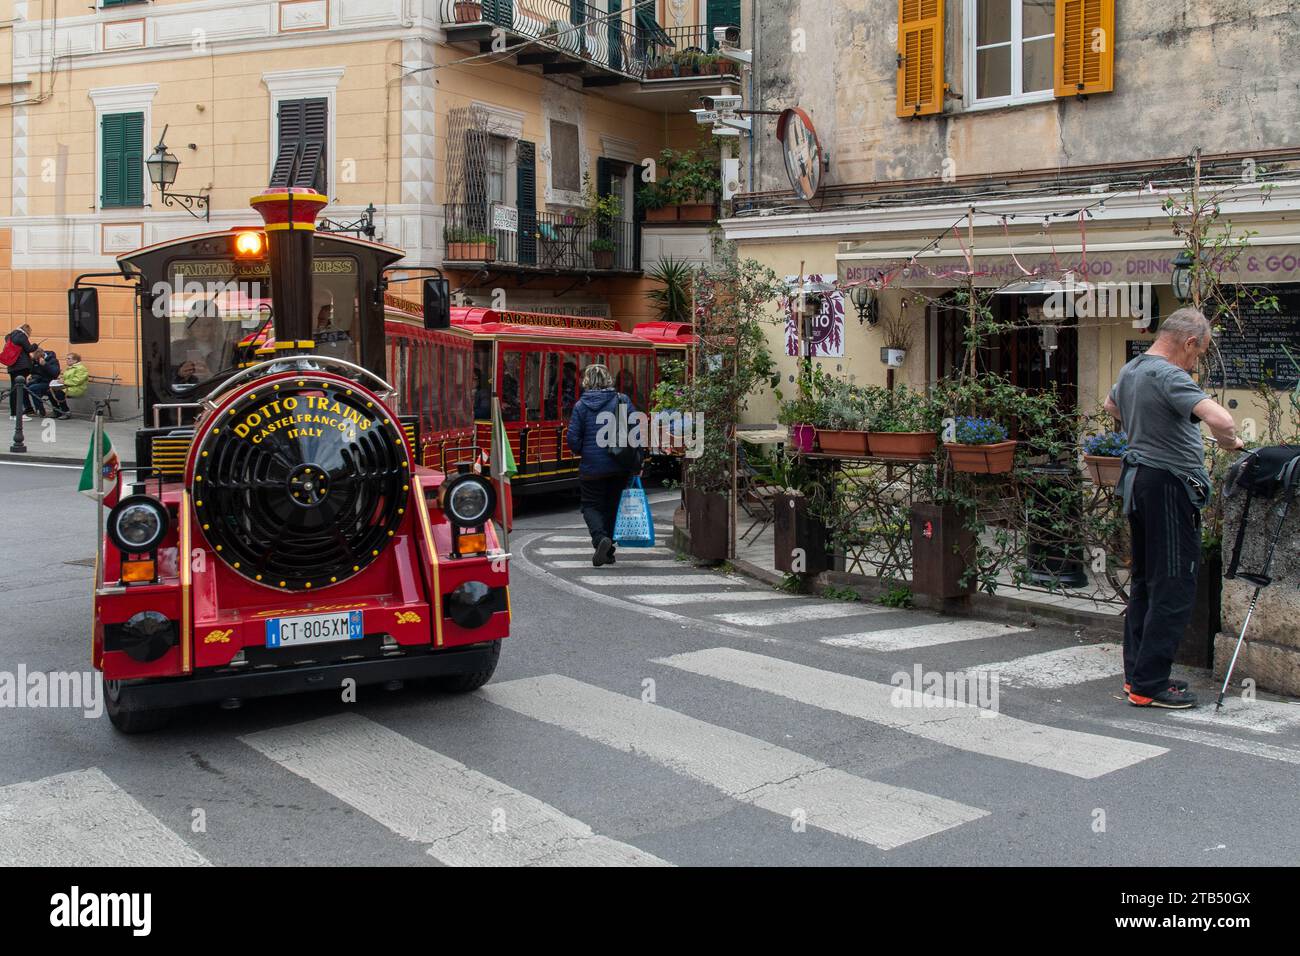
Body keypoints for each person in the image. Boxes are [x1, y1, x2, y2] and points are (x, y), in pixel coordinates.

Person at [1105, 307, 1244, 709]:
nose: (1196, 360)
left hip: (1138, 482)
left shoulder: (1132, 368)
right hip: (1168, 485)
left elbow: (1114, 408)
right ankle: (1150, 685)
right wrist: (1227, 441)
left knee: (1146, 581)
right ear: (1188, 342)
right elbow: (1220, 417)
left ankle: (1139, 677)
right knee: (1175, 583)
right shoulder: (1168, 374)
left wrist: (1147, 428)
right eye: (1198, 353)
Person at [566, 363, 641, 567]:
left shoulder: (581, 406)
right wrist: (637, 460)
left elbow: (572, 439)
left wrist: (585, 451)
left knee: (591, 505)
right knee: (612, 506)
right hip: (619, 465)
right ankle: (608, 552)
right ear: (608, 379)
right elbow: (635, 431)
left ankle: (600, 540)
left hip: (592, 467)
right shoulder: (622, 400)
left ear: (587, 381)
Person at [172, 307, 232, 385]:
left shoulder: (227, 348)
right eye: (197, 325)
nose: (202, 330)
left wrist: (209, 376)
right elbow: (165, 380)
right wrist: (180, 374)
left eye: (208, 325)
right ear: (190, 327)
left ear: (215, 326)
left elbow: (232, 380)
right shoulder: (177, 347)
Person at [4, 323, 40, 419]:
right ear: (27, 330)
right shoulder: (22, 336)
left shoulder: (10, 336)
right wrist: (35, 345)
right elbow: (29, 349)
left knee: (14, 389)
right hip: (21, 367)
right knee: (19, 390)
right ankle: (18, 414)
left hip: (12, 366)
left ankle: (13, 414)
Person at [27, 348, 71, 419]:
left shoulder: (53, 360)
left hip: (50, 382)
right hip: (40, 381)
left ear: (42, 356)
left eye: (37, 359)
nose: (37, 361)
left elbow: (55, 373)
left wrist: (45, 365)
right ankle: (30, 409)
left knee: (34, 388)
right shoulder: (35, 360)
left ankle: (41, 411)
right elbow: (35, 372)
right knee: (25, 387)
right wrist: (31, 375)